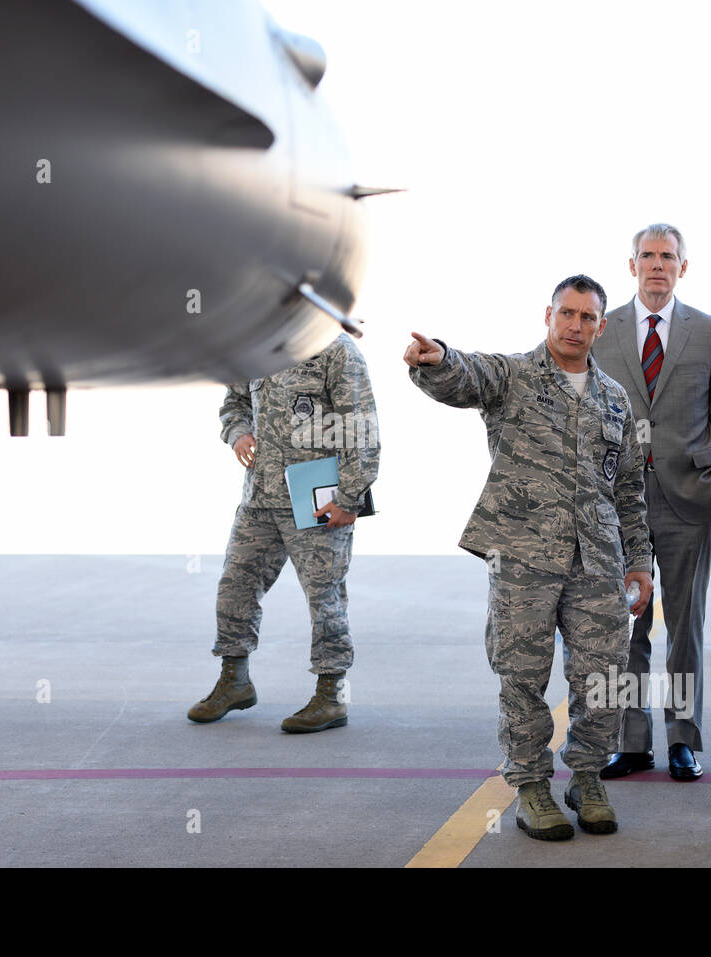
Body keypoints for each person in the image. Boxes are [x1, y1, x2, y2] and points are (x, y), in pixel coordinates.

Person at [406, 275, 653, 841]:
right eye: (566, 313)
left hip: (597, 560)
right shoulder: (514, 376)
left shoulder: (615, 399)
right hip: (523, 558)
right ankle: (532, 786)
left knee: (604, 675)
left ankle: (587, 776)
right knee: (522, 675)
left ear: (601, 326)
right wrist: (435, 359)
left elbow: (629, 492)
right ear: (548, 315)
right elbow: (464, 374)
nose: (575, 326)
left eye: (587, 317)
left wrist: (639, 561)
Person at [590, 224, 711, 781]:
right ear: (632, 266)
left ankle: (683, 738)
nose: (657, 265)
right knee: (626, 623)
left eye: (667, 257)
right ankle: (631, 741)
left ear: (683, 266)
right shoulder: (605, 330)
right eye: (646, 256)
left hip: (688, 503)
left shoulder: (710, 332)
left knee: (684, 624)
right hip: (620, 505)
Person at [187, 333, 380, 732]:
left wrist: (349, 497)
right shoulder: (252, 344)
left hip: (317, 501)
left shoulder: (336, 351)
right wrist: (238, 433)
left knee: (324, 598)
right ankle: (234, 680)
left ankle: (331, 696)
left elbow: (360, 427)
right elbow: (235, 402)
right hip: (259, 498)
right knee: (234, 587)